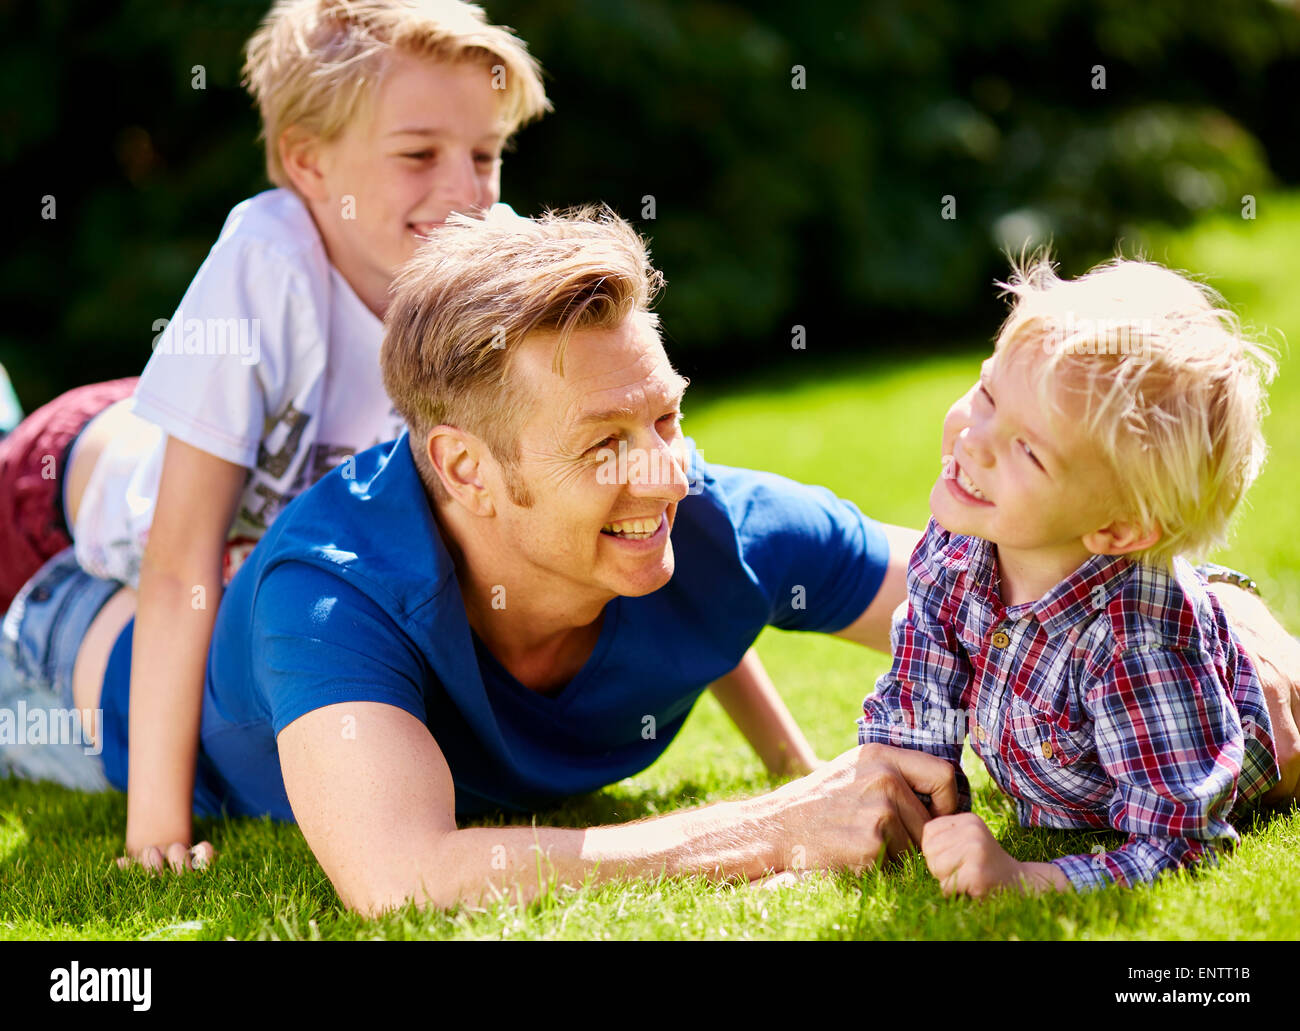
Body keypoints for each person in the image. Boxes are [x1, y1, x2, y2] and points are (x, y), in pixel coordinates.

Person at [0, 0, 554, 870]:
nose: (465, 190)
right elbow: (180, 559)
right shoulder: (268, 256)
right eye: (418, 154)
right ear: (305, 159)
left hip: (189, 443)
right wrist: (157, 829)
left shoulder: (490, 262)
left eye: (484, 156)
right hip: (59, 495)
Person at [858, 256, 1287, 897]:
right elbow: (925, 655)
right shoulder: (966, 534)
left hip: (1246, 736)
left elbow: (1183, 844)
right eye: (987, 394)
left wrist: (1029, 877)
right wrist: (902, 759)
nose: (974, 441)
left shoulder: (1139, 645)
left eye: (1027, 448)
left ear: (1117, 530)